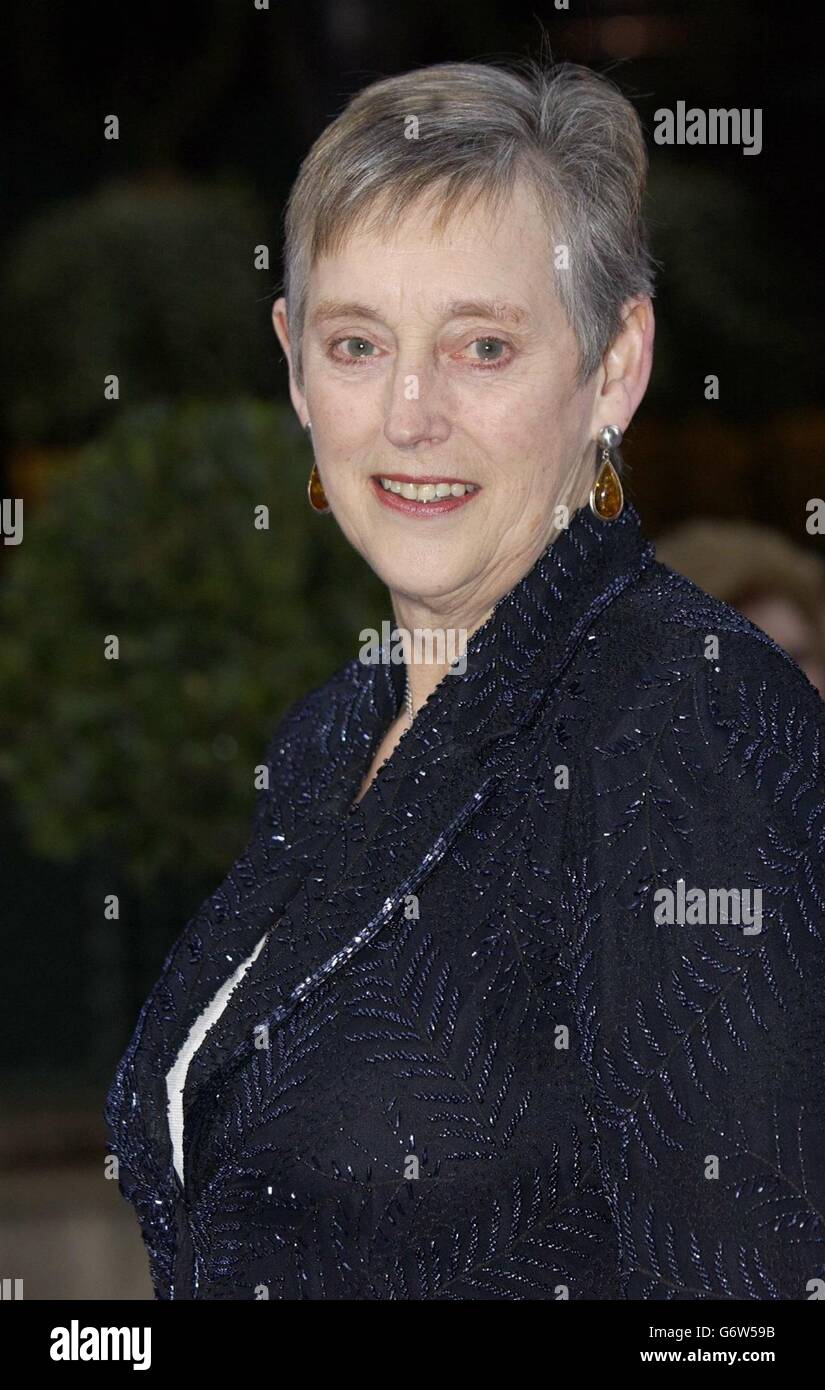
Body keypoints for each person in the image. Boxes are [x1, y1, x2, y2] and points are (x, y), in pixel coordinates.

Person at [104, 58, 825, 1300]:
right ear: (291, 364)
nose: (409, 412)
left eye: (482, 345)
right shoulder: (336, 734)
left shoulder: (689, 720)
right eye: (356, 344)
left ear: (615, 366)